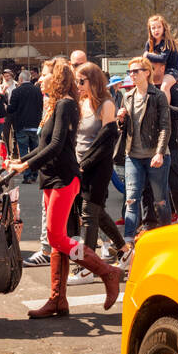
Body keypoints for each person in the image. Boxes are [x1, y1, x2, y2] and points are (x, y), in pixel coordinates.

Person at [8, 59, 121, 316]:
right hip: (51, 179)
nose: (39, 79)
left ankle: (108, 271)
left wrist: (27, 166)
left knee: (57, 237)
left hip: (64, 178)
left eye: (45, 75)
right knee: (56, 239)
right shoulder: (56, 105)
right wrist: (22, 161)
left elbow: (58, 145)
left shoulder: (66, 105)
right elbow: (44, 145)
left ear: (56, 78)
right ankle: (58, 299)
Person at [69, 63, 126, 283]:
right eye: (76, 81)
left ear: (93, 81)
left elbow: (105, 142)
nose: (78, 85)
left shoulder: (107, 104)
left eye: (81, 81)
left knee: (89, 213)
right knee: (97, 213)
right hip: (80, 164)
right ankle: (124, 250)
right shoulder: (82, 103)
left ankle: (88, 267)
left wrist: (86, 163)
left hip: (98, 167)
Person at [117, 56, 171, 265]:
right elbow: (125, 130)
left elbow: (166, 126)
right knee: (131, 199)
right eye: (130, 72)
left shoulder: (157, 96)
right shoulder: (127, 96)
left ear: (147, 72)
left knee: (160, 201)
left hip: (155, 155)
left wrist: (159, 152)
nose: (132, 75)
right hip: (133, 155)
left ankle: (167, 238)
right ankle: (128, 245)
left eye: (136, 71)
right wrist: (121, 120)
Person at [147, 53, 178, 224]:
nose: (150, 69)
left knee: (173, 181)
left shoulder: (173, 88)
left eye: (153, 66)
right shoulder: (148, 87)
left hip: (171, 142)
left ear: (162, 67)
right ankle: (158, 220)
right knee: (152, 186)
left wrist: (163, 107)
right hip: (151, 143)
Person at [7, 69, 44, 183]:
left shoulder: (17, 91)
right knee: (34, 150)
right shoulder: (37, 91)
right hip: (35, 125)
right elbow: (41, 107)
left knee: (23, 151)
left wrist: (6, 106)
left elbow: (11, 109)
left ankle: (27, 175)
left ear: (21, 79)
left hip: (21, 125)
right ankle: (34, 173)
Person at [144, 14, 178, 101]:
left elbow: (162, 58)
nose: (156, 30)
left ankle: (165, 110)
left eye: (159, 27)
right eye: (153, 28)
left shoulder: (167, 42)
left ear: (164, 28)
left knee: (164, 86)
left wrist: (148, 55)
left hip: (171, 70)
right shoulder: (149, 43)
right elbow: (145, 61)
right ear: (150, 30)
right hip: (155, 71)